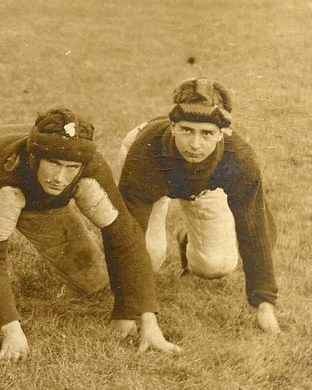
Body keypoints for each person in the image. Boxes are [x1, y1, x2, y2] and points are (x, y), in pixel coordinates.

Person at [0, 108, 181, 362]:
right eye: (53, 163)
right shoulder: (3, 169)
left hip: (43, 202)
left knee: (94, 281)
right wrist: (11, 328)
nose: (60, 177)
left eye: (71, 167)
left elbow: (125, 235)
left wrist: (142, 316)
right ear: (34, 156)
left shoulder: (91, 165)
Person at [118, 78, 280, 333]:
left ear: (223, 133)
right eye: (186, 130)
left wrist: (265, 304)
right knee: (148, 258)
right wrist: (130, 309)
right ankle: (159, 215)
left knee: (216, 265)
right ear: (172, 125)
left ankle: (187, 240)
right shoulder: (146, 148)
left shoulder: (238, 156)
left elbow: (255, 227)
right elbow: (129, 232)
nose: (195, 144)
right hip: (156, 175)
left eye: (207, 133)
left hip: (206, 183)